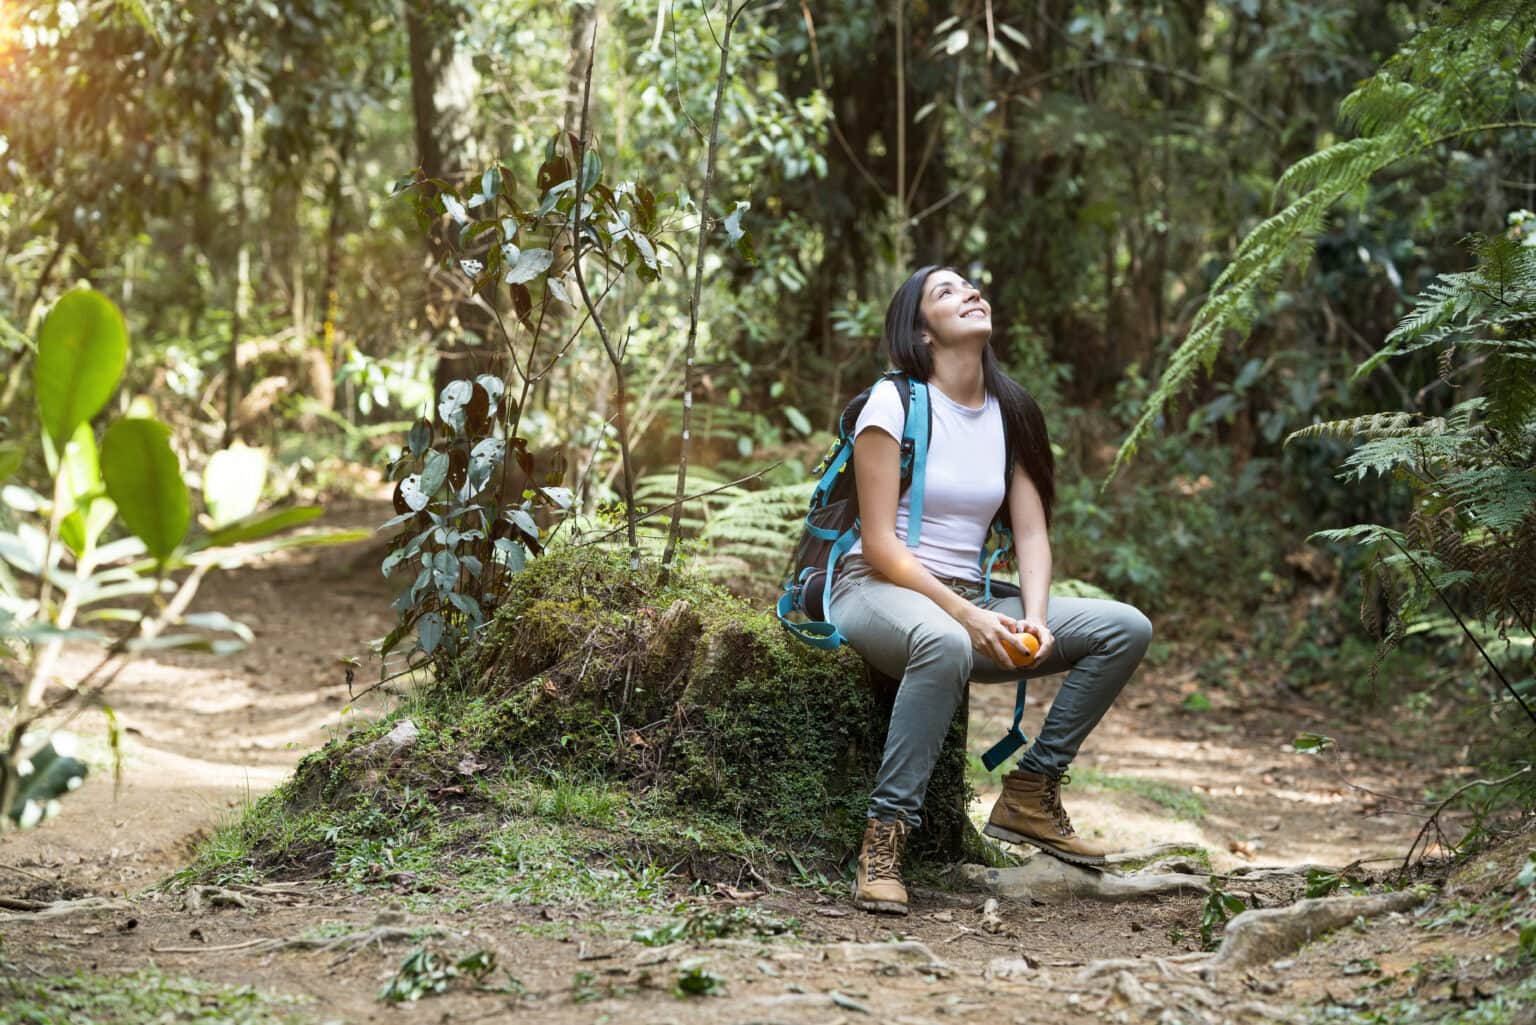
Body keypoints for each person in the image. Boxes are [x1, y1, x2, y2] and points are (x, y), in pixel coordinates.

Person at [829, 265, 1153, 916]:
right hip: (875, 586)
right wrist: (966, 617)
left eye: (971, 285)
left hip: (971, 597)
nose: (971, 293)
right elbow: (881, 543)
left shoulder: (1012, 411)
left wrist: (1036, 618)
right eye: (946, 292)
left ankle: (1031, 790)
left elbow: (1031, 533)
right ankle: (884, 840)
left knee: (1125, 627)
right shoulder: (893, 401)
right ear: (921, 330)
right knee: (945, 642)